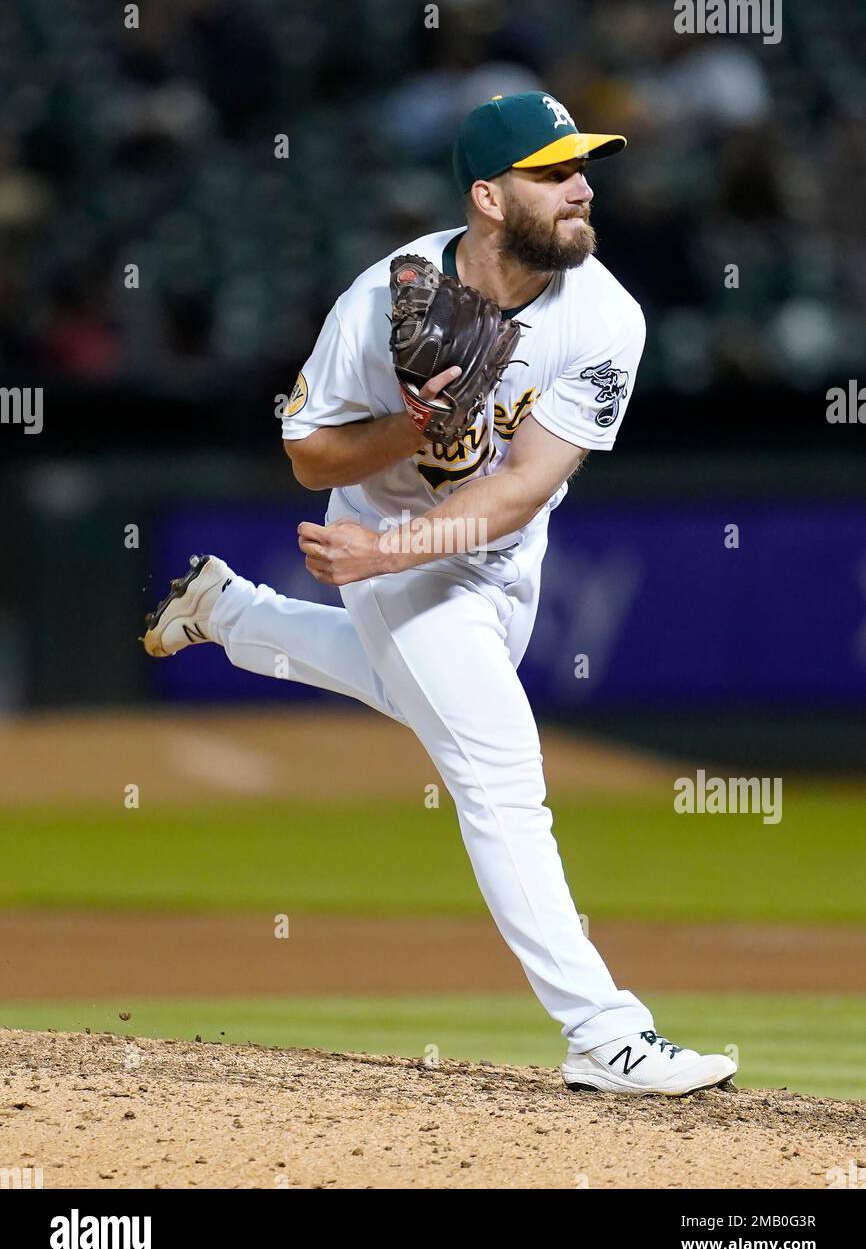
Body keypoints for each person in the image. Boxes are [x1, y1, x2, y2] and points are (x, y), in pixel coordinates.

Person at [143, 92, 736, 1096]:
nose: (581, 186)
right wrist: (412, 437)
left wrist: (396, 546)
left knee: (429, 702)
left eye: (581, 167)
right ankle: (601, 1032)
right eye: (552, 173)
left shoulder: (607, 315)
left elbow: (518, 489)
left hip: (492, 554)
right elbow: (304, 453)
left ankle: (232, 611)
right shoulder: (380, 300)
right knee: (498, 772)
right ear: (486, 198)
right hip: (392, 539)